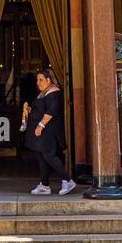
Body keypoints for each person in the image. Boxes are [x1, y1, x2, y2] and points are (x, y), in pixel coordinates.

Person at [23, 67, 76, 196]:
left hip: (49, 131)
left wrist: (40, 125)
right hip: (42, 132)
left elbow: (51, 111)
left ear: (49, 80)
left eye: (41, 80)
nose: (38, 82)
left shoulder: (54, 92)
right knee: (42, 157)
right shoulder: (44, 92)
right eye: (37, 80)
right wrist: (29, 110)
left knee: (49, 155)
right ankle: (44, 185)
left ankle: (68, 180)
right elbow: (41, 109)